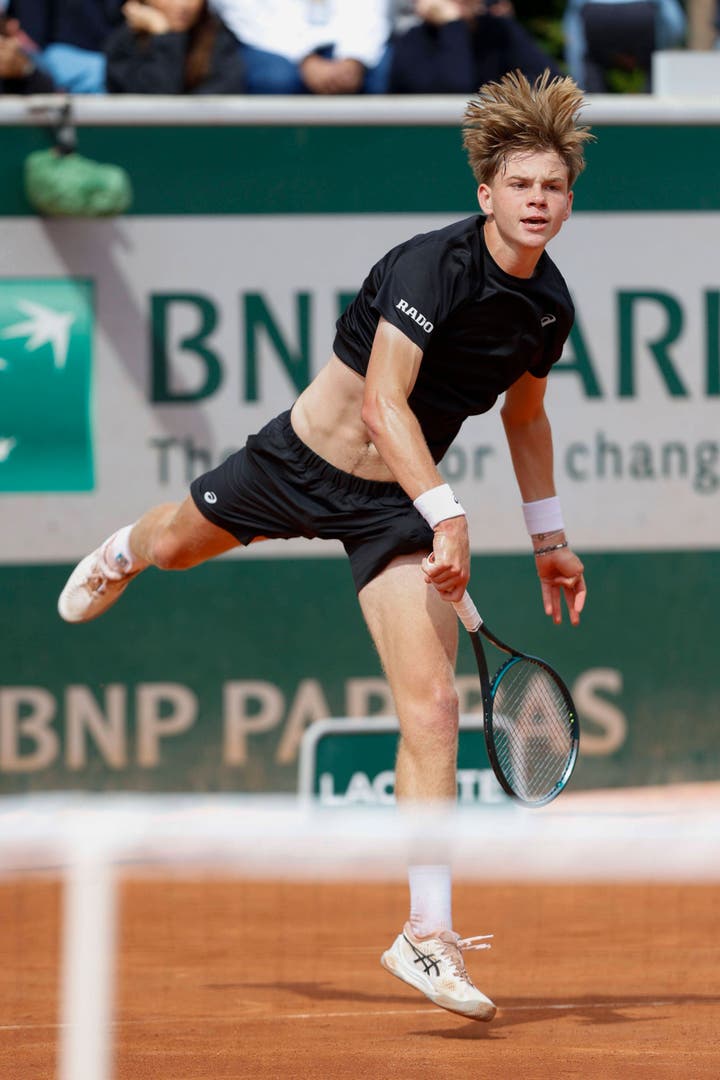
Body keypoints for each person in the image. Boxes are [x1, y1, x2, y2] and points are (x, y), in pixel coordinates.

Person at [58, 69, 590, 1022]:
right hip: (301, 462)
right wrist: (450, 513)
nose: (537, 200)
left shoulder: (547, 307)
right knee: (175, 546)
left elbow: (526, 415)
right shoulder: (430, 267)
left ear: (568, 201)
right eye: (520, 184)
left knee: (433, 708)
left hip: (393, 510)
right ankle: (121, 553)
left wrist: (548, 537)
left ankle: (426, 935)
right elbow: (384, 405)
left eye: (553, 186)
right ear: (486, 194)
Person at [208, 0, 392, 94]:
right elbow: (247, 14)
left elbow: (370, 10)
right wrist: (304, 57)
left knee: (383, 74)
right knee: (277, 80)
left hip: (346, 42)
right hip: (270, 42)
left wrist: (355, 58)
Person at [389, 0, 563, 94]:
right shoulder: (410, 42)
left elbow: (554, 82)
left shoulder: (500, 30)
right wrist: (453, 24)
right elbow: (454, 90)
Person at [104, 0, 245, 95]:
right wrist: (164, 37)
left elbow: (220, 99)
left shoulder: (217, 39)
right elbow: (157, 101)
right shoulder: (124, 43)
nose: (183, 5)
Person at [563, 0, 686, 92]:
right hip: (640, 13)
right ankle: (656, 107)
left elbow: (574, 36)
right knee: (654, 64)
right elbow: (673, 21)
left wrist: (578, 78)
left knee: (590, 63)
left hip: (596, 14)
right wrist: (661, 48)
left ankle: (590, 104)